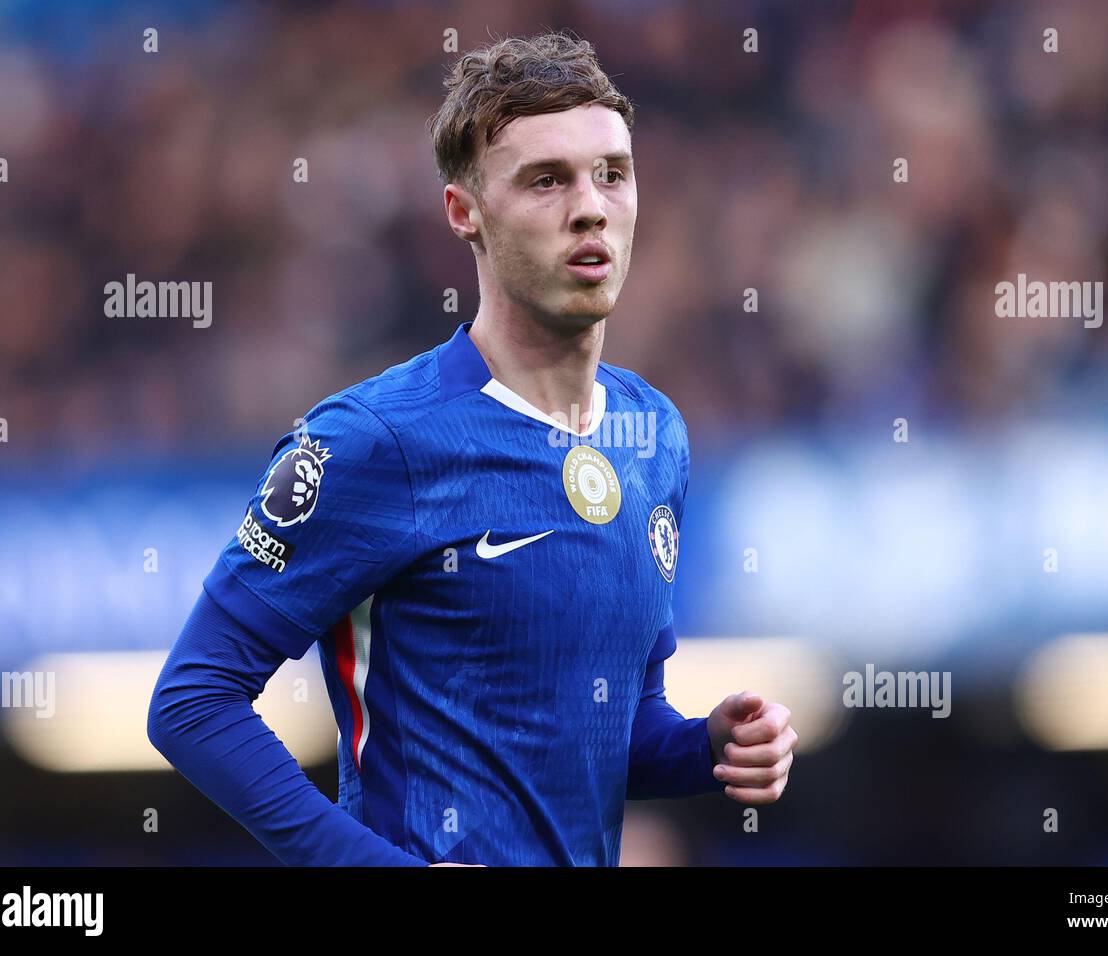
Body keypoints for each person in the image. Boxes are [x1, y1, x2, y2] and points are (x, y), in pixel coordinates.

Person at [147, 29, 796, 866]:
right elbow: (193, 700)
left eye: (612, 173)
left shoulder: (654, 435)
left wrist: (708, 746)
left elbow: (612, 731)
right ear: (465, 213)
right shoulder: (373, 442)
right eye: (545, 180)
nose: (591, 205)